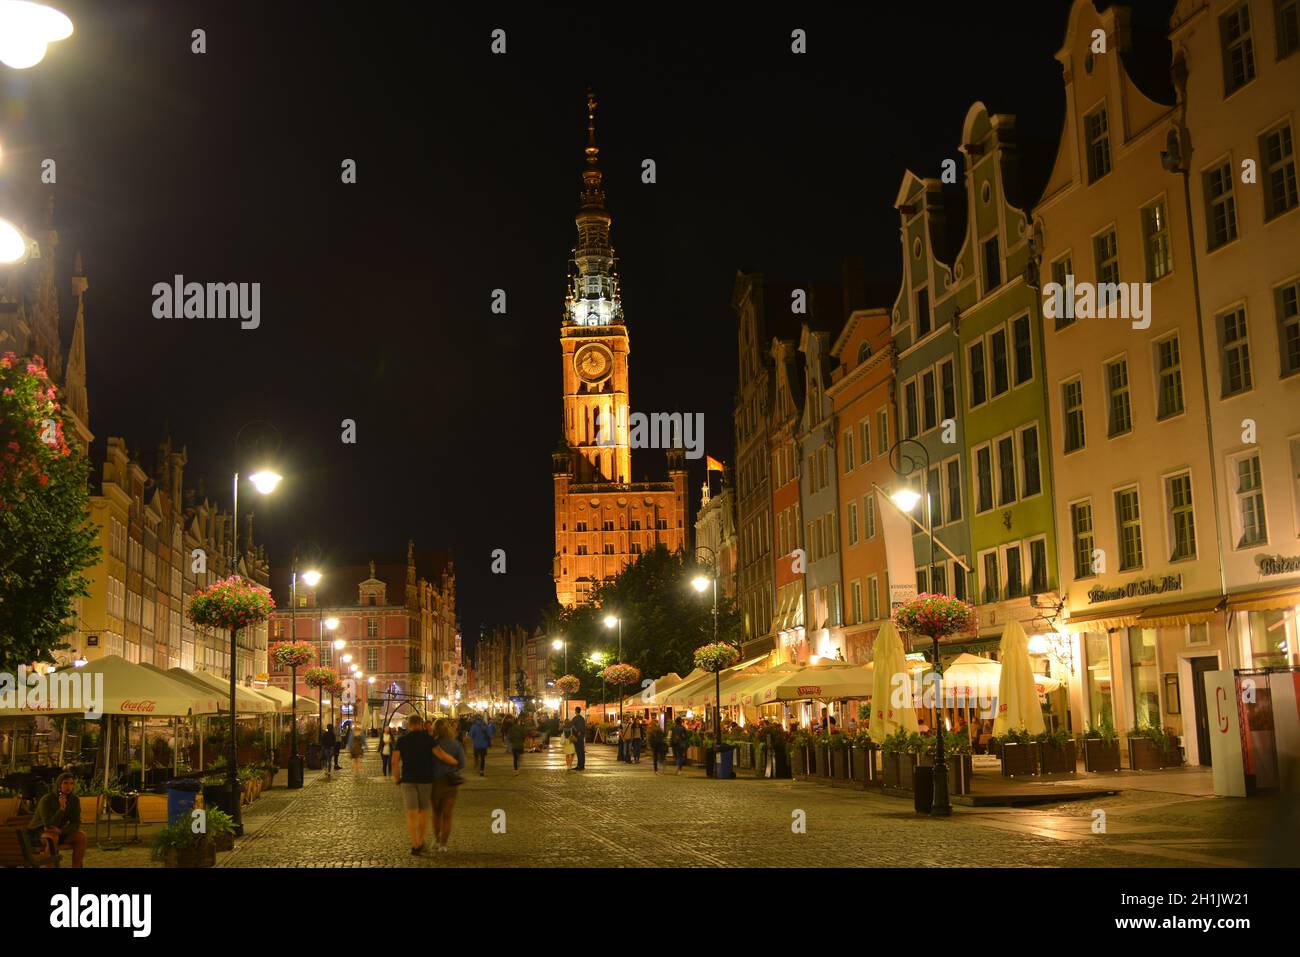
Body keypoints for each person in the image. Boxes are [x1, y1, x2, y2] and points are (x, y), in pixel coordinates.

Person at [29, 772, 84, 867]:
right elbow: (48, 824)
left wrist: (62, 831)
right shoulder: (47, 799)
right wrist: (61, 809)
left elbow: (76, 822)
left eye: (71, 783)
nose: (68, 786)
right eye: (65, 783)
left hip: (58, 832)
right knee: (52, 838)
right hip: (39, 832)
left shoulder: (74, 800)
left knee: (81, 836)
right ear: (59, 785)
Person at [429, 718, 465, 854]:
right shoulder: (455, 745)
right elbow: (462, 764)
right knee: (447, 815)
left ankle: (437, 840)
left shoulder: (431, 744)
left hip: (433, 782)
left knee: (436, 813)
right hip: (450, 783)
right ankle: (443, 844)